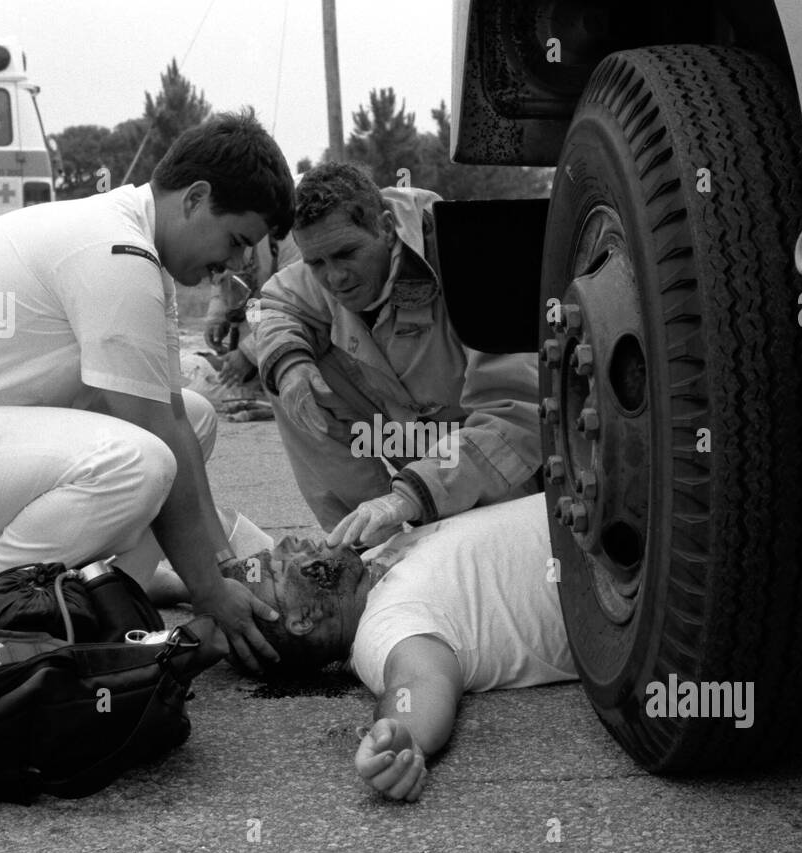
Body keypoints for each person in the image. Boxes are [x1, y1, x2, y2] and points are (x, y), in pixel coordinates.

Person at [0, 112, 293, 670]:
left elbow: (175, 418)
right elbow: (155, 438)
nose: (233, 263)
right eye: (236, 240)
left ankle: (101, 598)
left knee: (195, 418)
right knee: (140, 462)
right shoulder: (115, 252)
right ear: (196, 198)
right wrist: (210, 592)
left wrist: (223, 572)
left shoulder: (134, 242)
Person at [251, 162, 541, 550]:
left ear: (386, 228)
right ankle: (364, 542)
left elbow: (518, 419)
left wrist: (411, 495)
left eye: (347, 254)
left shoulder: (476, 258)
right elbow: (271, 306)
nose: (335, 278)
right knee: (291, 372)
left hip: (507, 466)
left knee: (487, 557)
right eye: (317, 263)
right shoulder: (325, 257)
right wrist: (290, 366)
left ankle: (453, 527)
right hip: (415, 447)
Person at [224, 492, 577, 801]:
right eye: (277, 568)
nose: (286, 543)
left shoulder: (367, 566)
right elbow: (418, 681)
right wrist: (401, 736)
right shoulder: (383, 630)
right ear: (302, 620)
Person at [204, 233, 301, 386]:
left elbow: (294, 307)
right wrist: (216, 317)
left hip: (282, 330)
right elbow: (220, 278)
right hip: (254, 307)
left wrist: (248, 353)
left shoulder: (286, 240)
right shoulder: (223, 231)